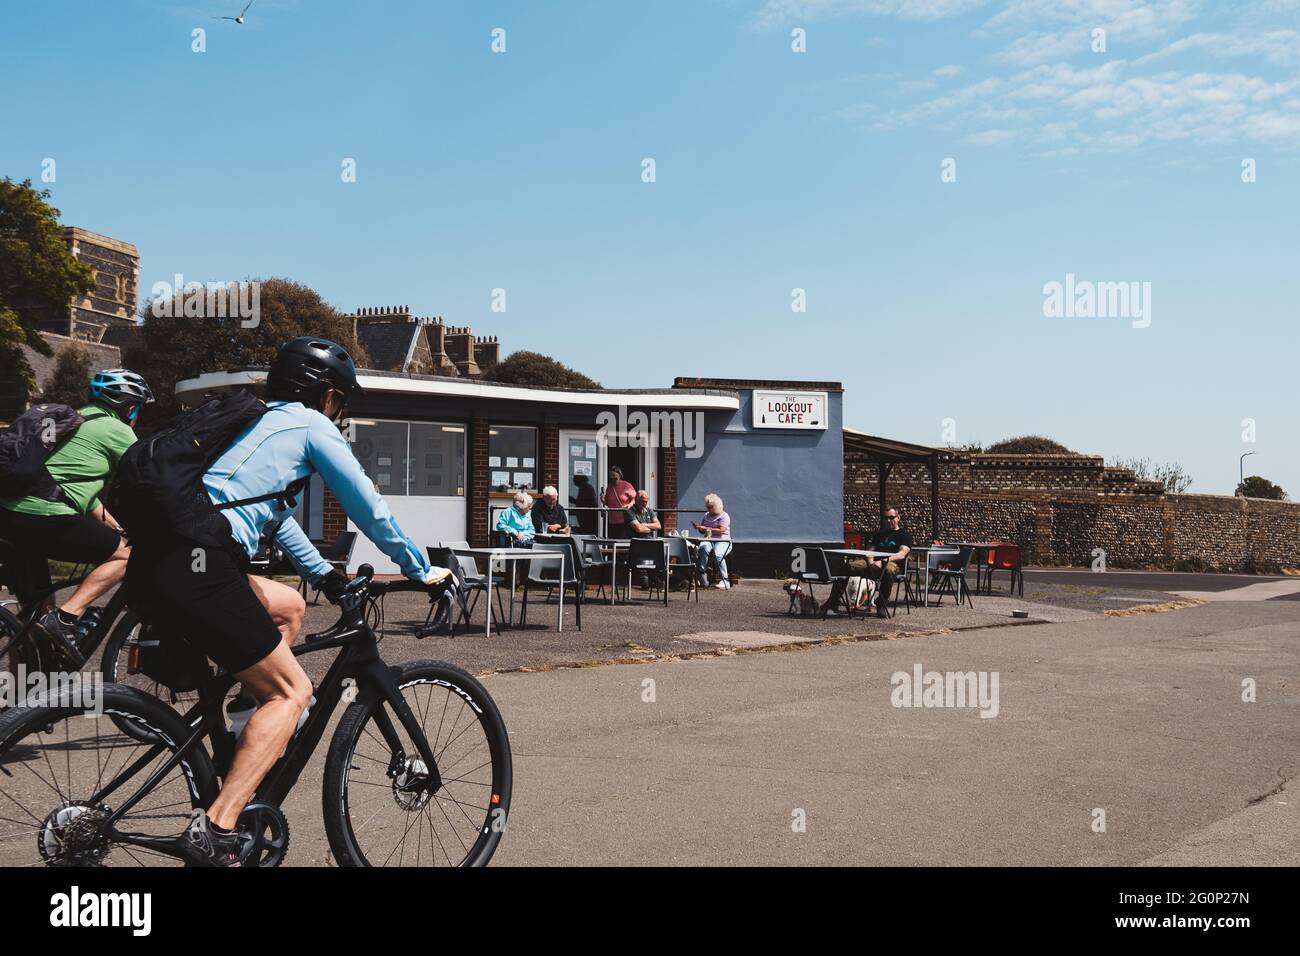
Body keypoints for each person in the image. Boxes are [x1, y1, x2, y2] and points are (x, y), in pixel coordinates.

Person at [123, 336, 453, 866]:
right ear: (324, 395)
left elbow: (271, 514)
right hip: (200, 563)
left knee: (287, 608)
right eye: (340, 400)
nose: (339, 411)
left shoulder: (248, 422)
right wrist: (421, 568)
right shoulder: (309, 425)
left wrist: (323, 576)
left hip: (158, 559)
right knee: (293, 693)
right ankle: (219, 826)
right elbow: (368, 506)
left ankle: (242, 719)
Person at [0, 368, 153, 665]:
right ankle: (67, 617)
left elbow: (78, 492)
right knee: (127, 557)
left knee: (34, 615)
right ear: (130, 406)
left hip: (9, 516)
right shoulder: (116, 429)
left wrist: (117, 527)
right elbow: (151, 479)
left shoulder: (72, 420)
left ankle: (21, 704)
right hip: (44, 516)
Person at [822, 507, 912, 619]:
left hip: (893, 564)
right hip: (873, 563)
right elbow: (870, 551)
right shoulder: (879, 535)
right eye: (886, 518)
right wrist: (870, 562)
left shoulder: (904, 535)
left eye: (891, 517)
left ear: (898, 518)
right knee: (848, 566)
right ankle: (833, 602)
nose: (888, 520)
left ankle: (881, 604)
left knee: (887, 570)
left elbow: (901, 554)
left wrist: (883, 561)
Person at [691, 493, 732, 589]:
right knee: (702, 548)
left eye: (711, 507)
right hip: (709, 539)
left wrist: (706, 528)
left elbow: (721, 531)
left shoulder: (724, 516)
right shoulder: (706, 515)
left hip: (723, 540)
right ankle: (702, 573)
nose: (708, 509)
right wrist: (699, 528)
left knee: (718, 555)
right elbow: (703, 531)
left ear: (717, 506)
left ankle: (725, 580)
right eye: (707, 507)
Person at [602, 466, 635, 538]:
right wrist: (603, 500)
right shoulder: (609, 487)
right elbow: (608, 503)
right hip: (612, 520)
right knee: (613, 541)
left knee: (622, 542)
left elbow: (635, 499)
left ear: (619, 475)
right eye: (610, 475)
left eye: (614, 475)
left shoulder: (627, 485)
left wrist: (629, 505)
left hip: (624, 519)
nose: (612, 477)